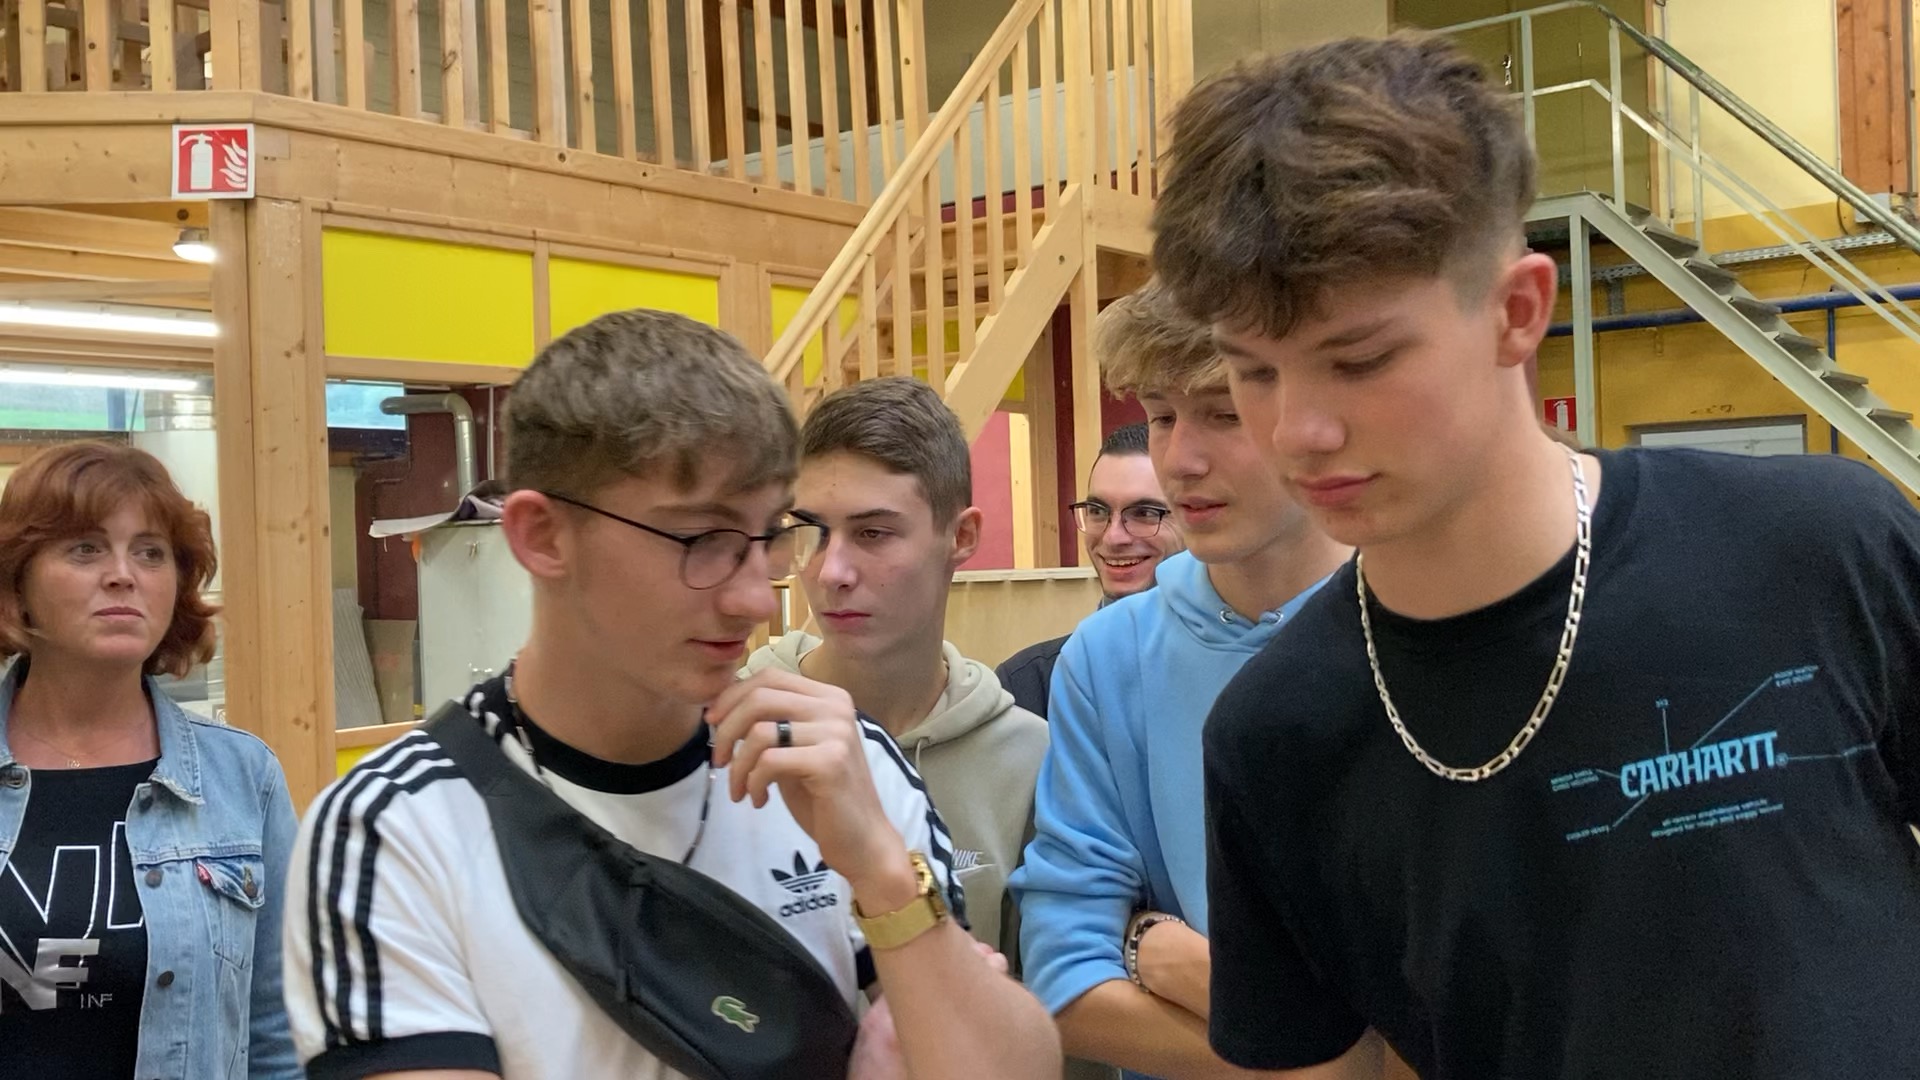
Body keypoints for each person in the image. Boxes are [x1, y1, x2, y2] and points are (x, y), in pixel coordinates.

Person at [1158, 35, 1920, 1080]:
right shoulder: (1276, 735)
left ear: (1518, 311)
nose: (1298, 431)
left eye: (1361, 360)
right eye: (1253, 372)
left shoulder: (1817, 548)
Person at [285, 311, 1060, 1080]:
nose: (760, 599)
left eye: (767, 540)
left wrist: (885, 873)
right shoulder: (394, 830)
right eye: (704, 542)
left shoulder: (846, 765)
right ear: (544, 537)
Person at [1009, 280, 1352, 1080]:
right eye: (1162, 415)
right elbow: (1064, 978)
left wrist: (1177, 966)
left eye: (1224, 414)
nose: (1181, 460)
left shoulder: (1414, 626)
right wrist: (1318, 1067)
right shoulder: (1107, 655)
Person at [0, 441, 300, 1079]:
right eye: (85, 548)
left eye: (150, 551)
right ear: (17, 584)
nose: (122, 574)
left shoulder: (242, 779)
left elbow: (277, 1032)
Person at [742, 376, 1049, 965]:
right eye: (813, 531)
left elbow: (1051, 1029)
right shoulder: (735, 730)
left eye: (872, 533)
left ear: (961, 537)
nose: (831, 571)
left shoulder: (1030, 761)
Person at [997, 422, 1182, 719]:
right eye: (1098, 511)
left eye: (1145, 513)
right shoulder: (1029, 687)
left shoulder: (1237, 674)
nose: (1113, 537)